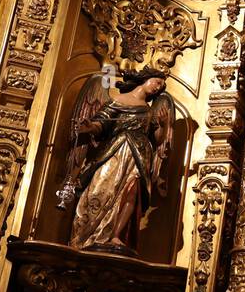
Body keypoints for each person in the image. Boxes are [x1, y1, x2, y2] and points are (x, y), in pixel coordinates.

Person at [60, 68, 175, 254]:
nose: (158, 88)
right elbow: (101, 125)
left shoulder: (149, 110)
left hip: (139, 157)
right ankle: (83, 238)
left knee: (132, 193)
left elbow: (158, 140)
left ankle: (116, 235)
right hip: (113, 152)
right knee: (99, 190)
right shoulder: (117, 101)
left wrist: (163, 125)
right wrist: (90, 127)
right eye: (157, 82)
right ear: (144, 80)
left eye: (161, 86)